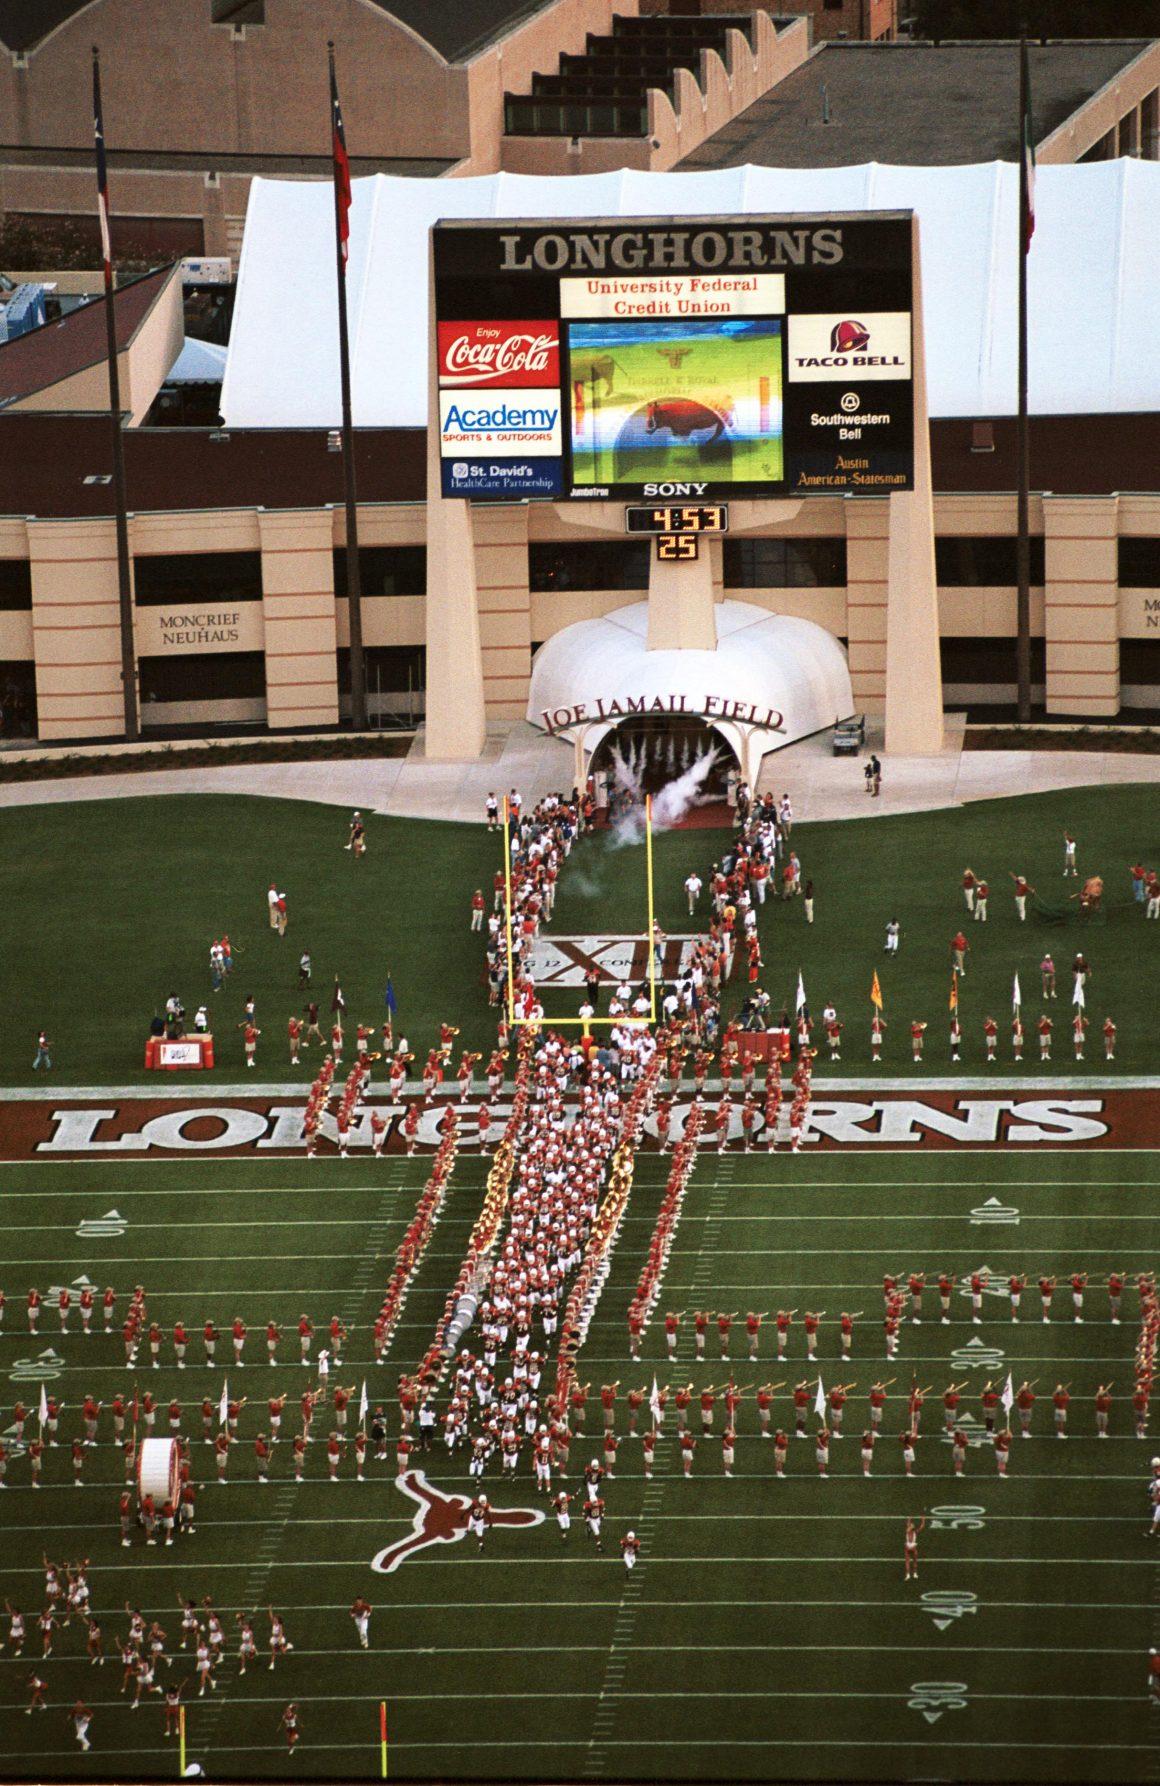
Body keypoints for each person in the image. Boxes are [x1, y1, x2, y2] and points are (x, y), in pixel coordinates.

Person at [903, 1514, 925, 1580]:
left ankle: (912, 1574)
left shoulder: (909, 1531)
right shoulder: (912, 1531)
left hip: (909, 1546)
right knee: (910, 1561)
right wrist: (923, 1520)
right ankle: (911, 1574)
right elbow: (921, 1526)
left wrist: (910, 1518)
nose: (911, 1525)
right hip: (912, 1546)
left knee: (911, 1561)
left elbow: (921, 1527)